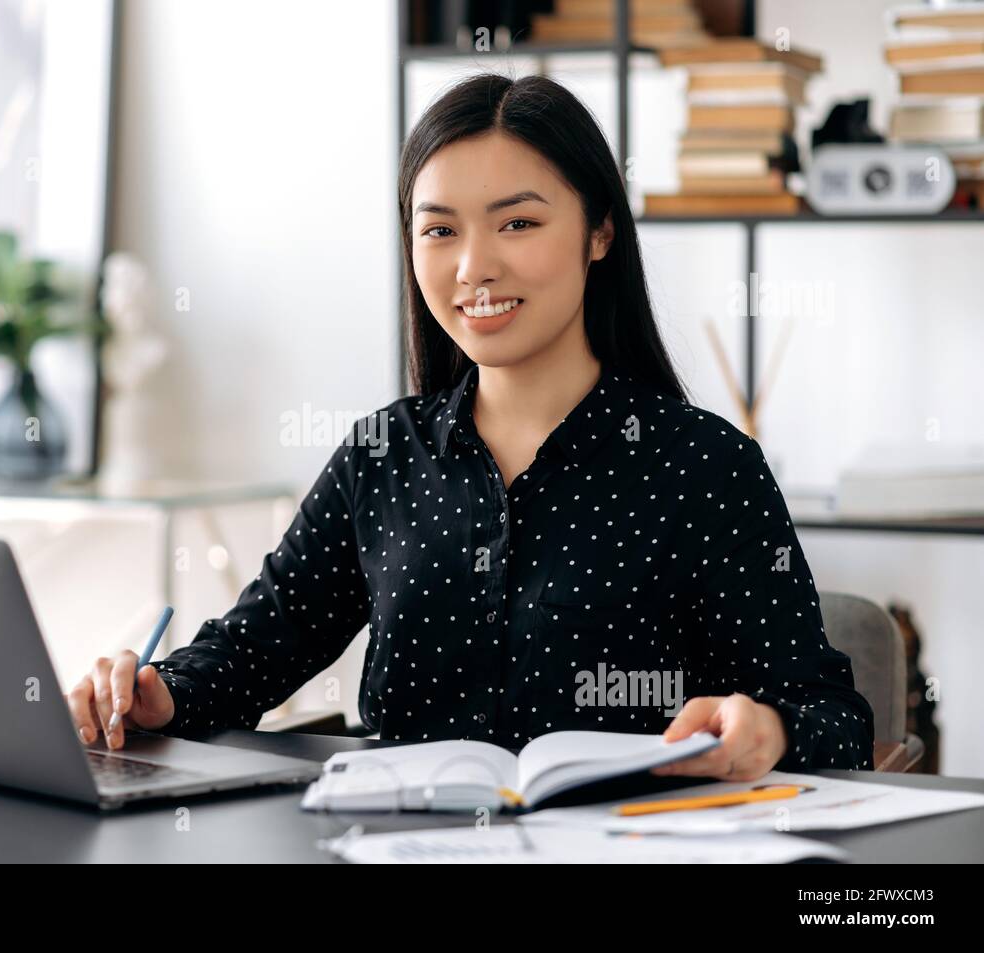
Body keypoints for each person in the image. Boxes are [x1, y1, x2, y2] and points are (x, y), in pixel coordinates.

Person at [66, 72, 875, 781]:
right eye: (439, 229)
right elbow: (253, 650)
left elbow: (837, 723)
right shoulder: (382, 454)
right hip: (395, 842)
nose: (472, 267)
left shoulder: (704, 464)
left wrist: (766, 729)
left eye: (517, 223)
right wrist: (151, 690)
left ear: (600, 232)